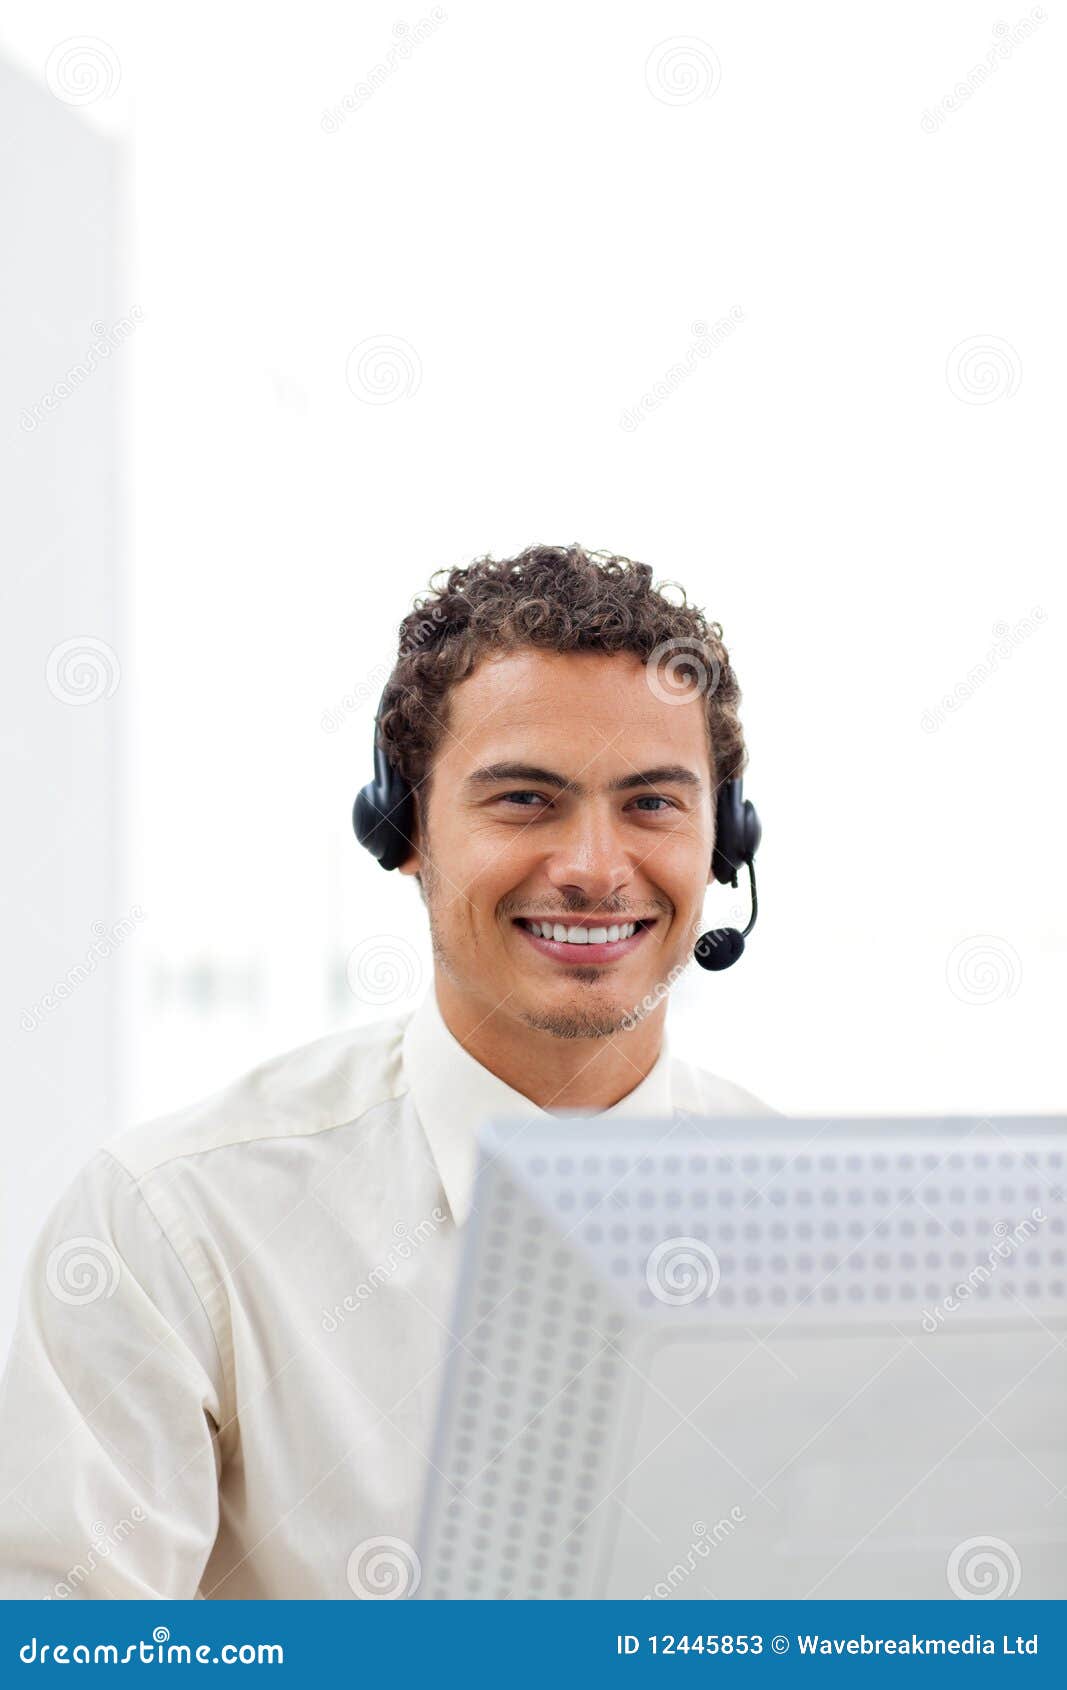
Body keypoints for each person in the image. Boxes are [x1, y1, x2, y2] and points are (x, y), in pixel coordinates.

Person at [0, 543, 778, 1599]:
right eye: (524, 800)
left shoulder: (824, 1232)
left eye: (651, 803)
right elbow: (63, 1655)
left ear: (723, 840)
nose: (595, 868)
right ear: (404, 829)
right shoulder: (176, 1227)